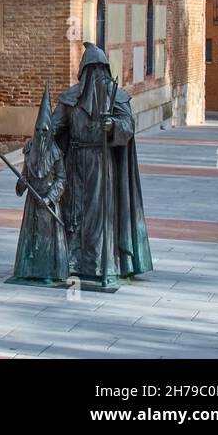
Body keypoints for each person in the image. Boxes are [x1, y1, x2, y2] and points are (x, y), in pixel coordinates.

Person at [52, 43, 153, 290]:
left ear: (105, 70)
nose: (95, 75)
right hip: (74, 161)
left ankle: (99, 263)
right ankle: (73, 262)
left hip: (102, 162)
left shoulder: (116, 97)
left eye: (99, 69)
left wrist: (113, 126)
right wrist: (39, 140)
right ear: (83, 71)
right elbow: (54, 127)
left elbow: (128, 126)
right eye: (90, 69)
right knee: (73, 213)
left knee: (98, 214)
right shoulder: (70, 99)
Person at [10, 85, 69, 284]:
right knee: (31, 238)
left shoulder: (56, 153)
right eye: (38, 130)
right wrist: (22, 183)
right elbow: (23, 182)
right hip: (32, 203)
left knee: (48, 240)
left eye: (45, 130)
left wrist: (50, 198)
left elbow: (61, 179)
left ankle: (48, 272)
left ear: (50, 131)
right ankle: (29, 270)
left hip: (47, 202)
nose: (41, 134)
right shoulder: (29, 151)